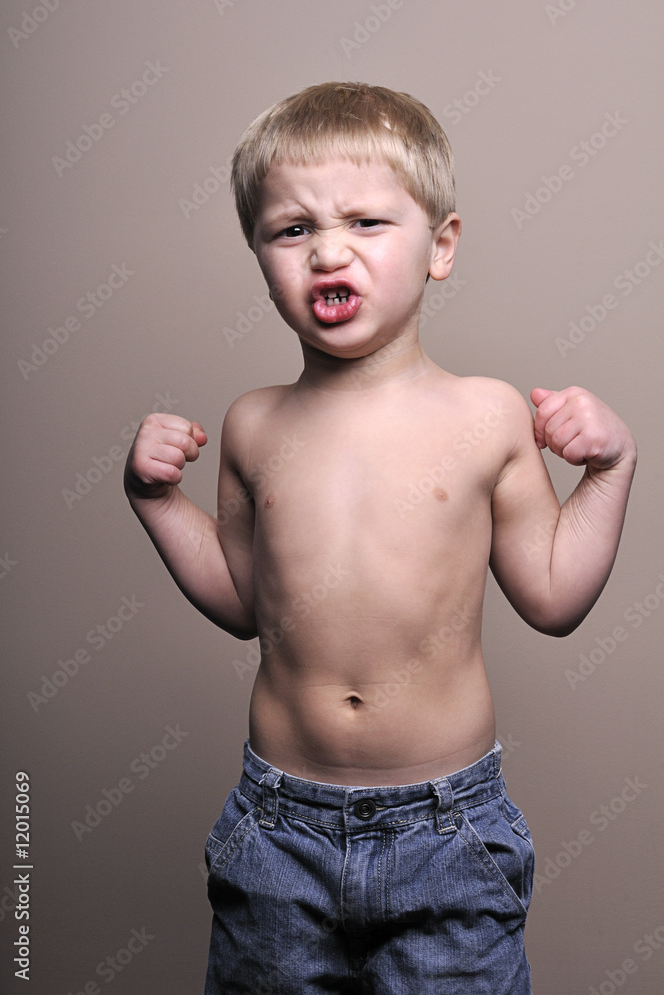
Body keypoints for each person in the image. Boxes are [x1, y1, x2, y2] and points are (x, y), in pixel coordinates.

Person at [124, 82, 637, 993]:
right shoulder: (253, 426)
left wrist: (609, 472)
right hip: (278, 831)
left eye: (367, 222)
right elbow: (248, 606)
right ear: (261, 258)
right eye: (292, 231)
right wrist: (159, 504)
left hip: (447, 832)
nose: (329, 250)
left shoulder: (485, 415)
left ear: (439, 246)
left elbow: (555, 599)